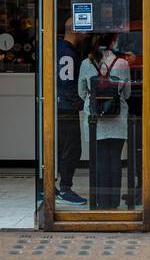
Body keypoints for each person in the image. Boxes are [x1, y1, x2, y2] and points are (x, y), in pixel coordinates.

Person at [79, 34, 131, 210]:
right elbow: (127, 94)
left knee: (99, 160)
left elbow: (81, 92)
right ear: (112, 43)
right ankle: (114, 202)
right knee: (115, 160)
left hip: (95, 120)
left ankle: (101, 201)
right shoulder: (123, 64)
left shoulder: (86, 64)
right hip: (118, 118)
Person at [55, 18, 87, 205]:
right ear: (76, 31)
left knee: (62, 148)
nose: (87, 34)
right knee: (72, 149)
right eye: (84, 30)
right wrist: (80, 103)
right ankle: (65, 189)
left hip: (59, 105)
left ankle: (57, 188)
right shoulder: (68, 53)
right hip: (66, 108)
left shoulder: (59, 48)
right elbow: (67, 83)